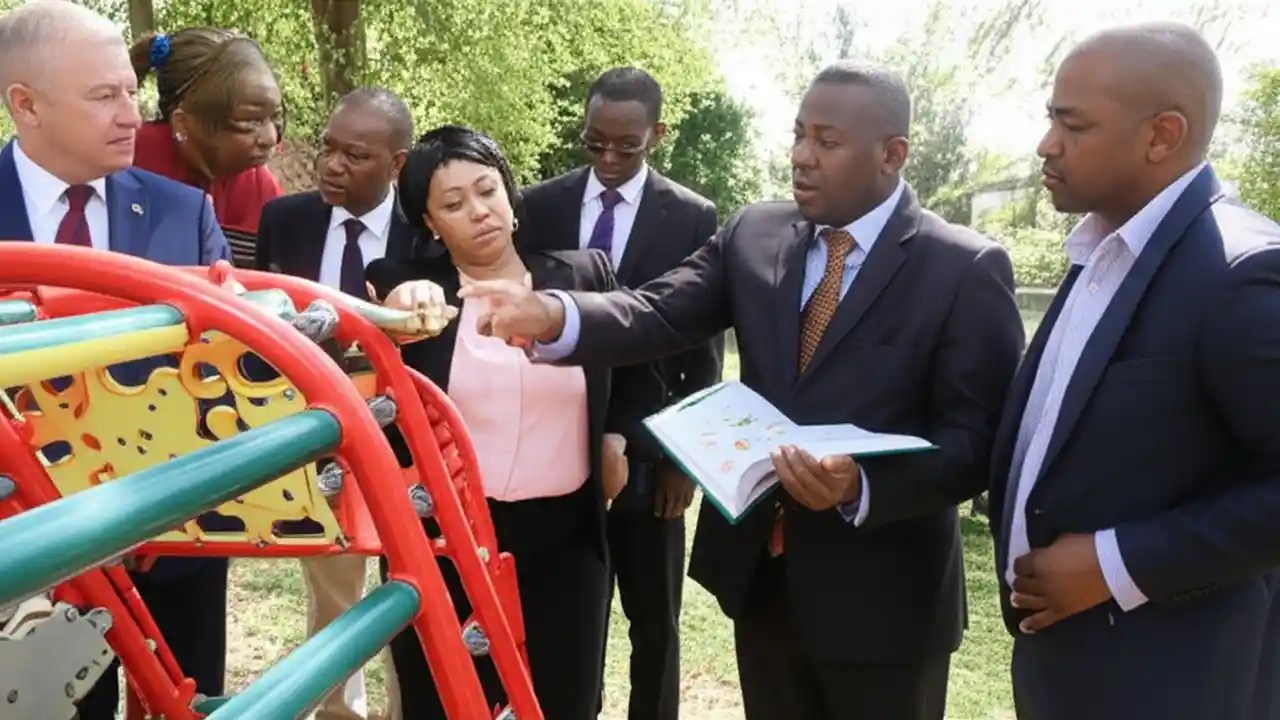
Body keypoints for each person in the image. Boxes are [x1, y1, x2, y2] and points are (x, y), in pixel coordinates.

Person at [458, 60, 1025, 720]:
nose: (802, 158)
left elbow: (977, 442)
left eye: (827, 142)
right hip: (764, 581)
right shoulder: (756, 235)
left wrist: (863, 486)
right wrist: (558, 315)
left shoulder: (961, 267)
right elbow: (660, 312)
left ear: (892, 155)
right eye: (798, 135)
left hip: (885, 604)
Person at [986, 22, 1280, 720]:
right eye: (1049, 118)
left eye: (1073, 125)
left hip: (1174, 679)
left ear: (1161, 135)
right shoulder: (1104, 252)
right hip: (1068, 667)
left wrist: (1120, 563)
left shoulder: (1238, 274)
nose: (1045, 145)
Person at [0, 2, 230, 718]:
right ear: (25, 105)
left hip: (174, 535)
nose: (132, 114)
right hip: (24, 550)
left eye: (130, 91)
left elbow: (228, 366)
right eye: (104, 96)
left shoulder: (182, 212)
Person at [368, 125, 623, 720]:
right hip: (445, 540)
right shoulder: (414, 290)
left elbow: (635, 369)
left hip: (565, 537)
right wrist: (400, 302)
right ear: (430, 223)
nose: (478, 212)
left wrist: (619, 437)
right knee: (445, 698)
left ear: (510, 194)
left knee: (563, 697)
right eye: (453, 204)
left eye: (488, 191)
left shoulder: (582, 276)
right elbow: (385, 305)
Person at [519, 66, 721, 720]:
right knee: (566, 614)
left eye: (626, 146)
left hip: (649, 453)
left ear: (656, 135)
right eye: (594, 141)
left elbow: (702, 353)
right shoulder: (539, 206)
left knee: (653, 620)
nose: (608, 158)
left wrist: (678, 463)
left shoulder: (692, 217)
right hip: (558, 446)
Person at [255, 86, 414, 720]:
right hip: (313, 435)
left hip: (403, 440)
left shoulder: (424, 229)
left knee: (411, 591)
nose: (332, 165)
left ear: (397, 164)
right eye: (328, 147)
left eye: (355, 155)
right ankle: (337, 712)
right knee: (332, 595)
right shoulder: (284, 220)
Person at [129, 27, 284, 267]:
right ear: (183, 123)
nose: (270, 137)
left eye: (275, 117)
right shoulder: (124, 166)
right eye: (249, 122)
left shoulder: (257, 184)